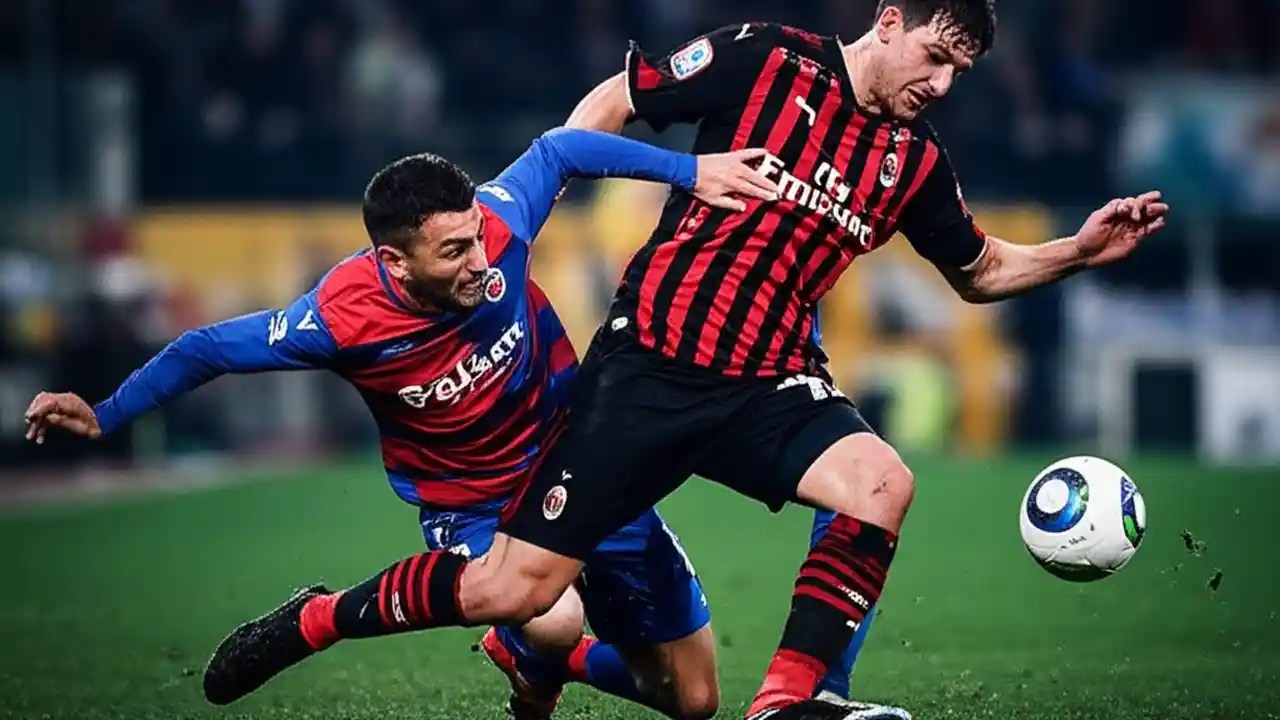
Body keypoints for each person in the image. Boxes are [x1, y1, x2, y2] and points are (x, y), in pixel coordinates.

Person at [192, 3, 1169, 719]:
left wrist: (1078, 250)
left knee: (878, 485)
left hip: (769, 379)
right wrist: (545, 194)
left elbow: (979, 270)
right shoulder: (763, 58)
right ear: (889, 22)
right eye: (936, 55)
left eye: (961, 70)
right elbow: (620, 99)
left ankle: (793, 702)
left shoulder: (911, 163)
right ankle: (318, 619)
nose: (942, 84)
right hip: (649, 367)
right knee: (515, 593)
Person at [23, 127, 779, 720]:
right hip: (472, 504)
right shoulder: (340, 318)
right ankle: (322, 619)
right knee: (548, 614)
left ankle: (537, 662)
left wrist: (690, 169)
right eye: (453, 251)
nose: (480, 261)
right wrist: (107, 412)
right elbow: (207, 348)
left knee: (694, 701)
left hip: (582, 465)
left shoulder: (500, 223)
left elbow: (561, 149)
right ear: (395, 260)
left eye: (475, 237)